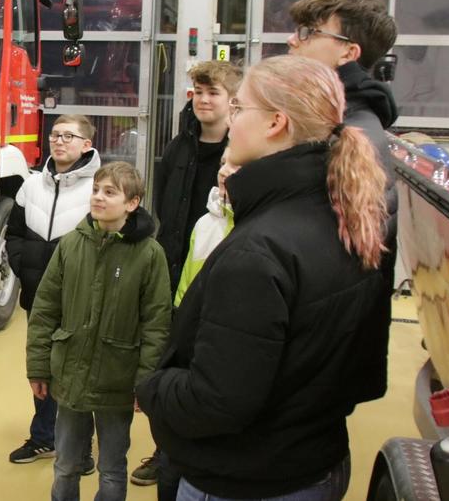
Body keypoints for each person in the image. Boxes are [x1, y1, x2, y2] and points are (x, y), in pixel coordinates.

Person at [137, 55, 390, 500]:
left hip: (246, 478)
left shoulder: (259, 252)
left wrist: (152, 386)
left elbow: (215, 401)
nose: (231, 122)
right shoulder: (348, 219)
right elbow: (363, 372)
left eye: (239, 108)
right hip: (314, 460)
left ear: (276, 122)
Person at [27, 162, 171, 501]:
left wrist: (143, 381)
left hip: (116, 380)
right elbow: (45, 309)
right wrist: (38, 366)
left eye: (110, 192)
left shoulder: (150, 255)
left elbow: (156, 323)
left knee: (112, 469)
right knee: (65, 466)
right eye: (95, 190)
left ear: (132, 203)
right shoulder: (71, 245)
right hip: (71, 375)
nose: (98, 198)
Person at [287, 0, 399, 404]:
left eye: (308, 33)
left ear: (348, 52)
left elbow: (340, 265)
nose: (292, 41)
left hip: (316, 359)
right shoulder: (334, 121)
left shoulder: (351, 133)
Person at [138, 59, 240, 493]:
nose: (202, 100)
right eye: (197, 92)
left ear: (233, 102)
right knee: (168, 361)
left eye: (212, 93)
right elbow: (163, 202)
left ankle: (198, 453)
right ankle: (166, 452)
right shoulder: (179, 147)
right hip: (175, 270)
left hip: (222, 280)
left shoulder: (242, 153)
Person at [5, 115, 101, 467]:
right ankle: (44, 437)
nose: (59, 141)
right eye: (55, 135)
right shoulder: (31, 185)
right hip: (38, 297)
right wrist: (23, 267)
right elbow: (13, 233)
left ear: (86, 145)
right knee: (42, 367)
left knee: (78, 372)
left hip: (82, 301)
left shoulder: (100, 187)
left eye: (69, 136)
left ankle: (81, 446)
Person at [172, 149, 238, 308]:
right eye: (223, 163)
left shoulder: (261, 224)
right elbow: (185, 288)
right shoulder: (205, 224)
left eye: (235, 164)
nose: (223, 171)